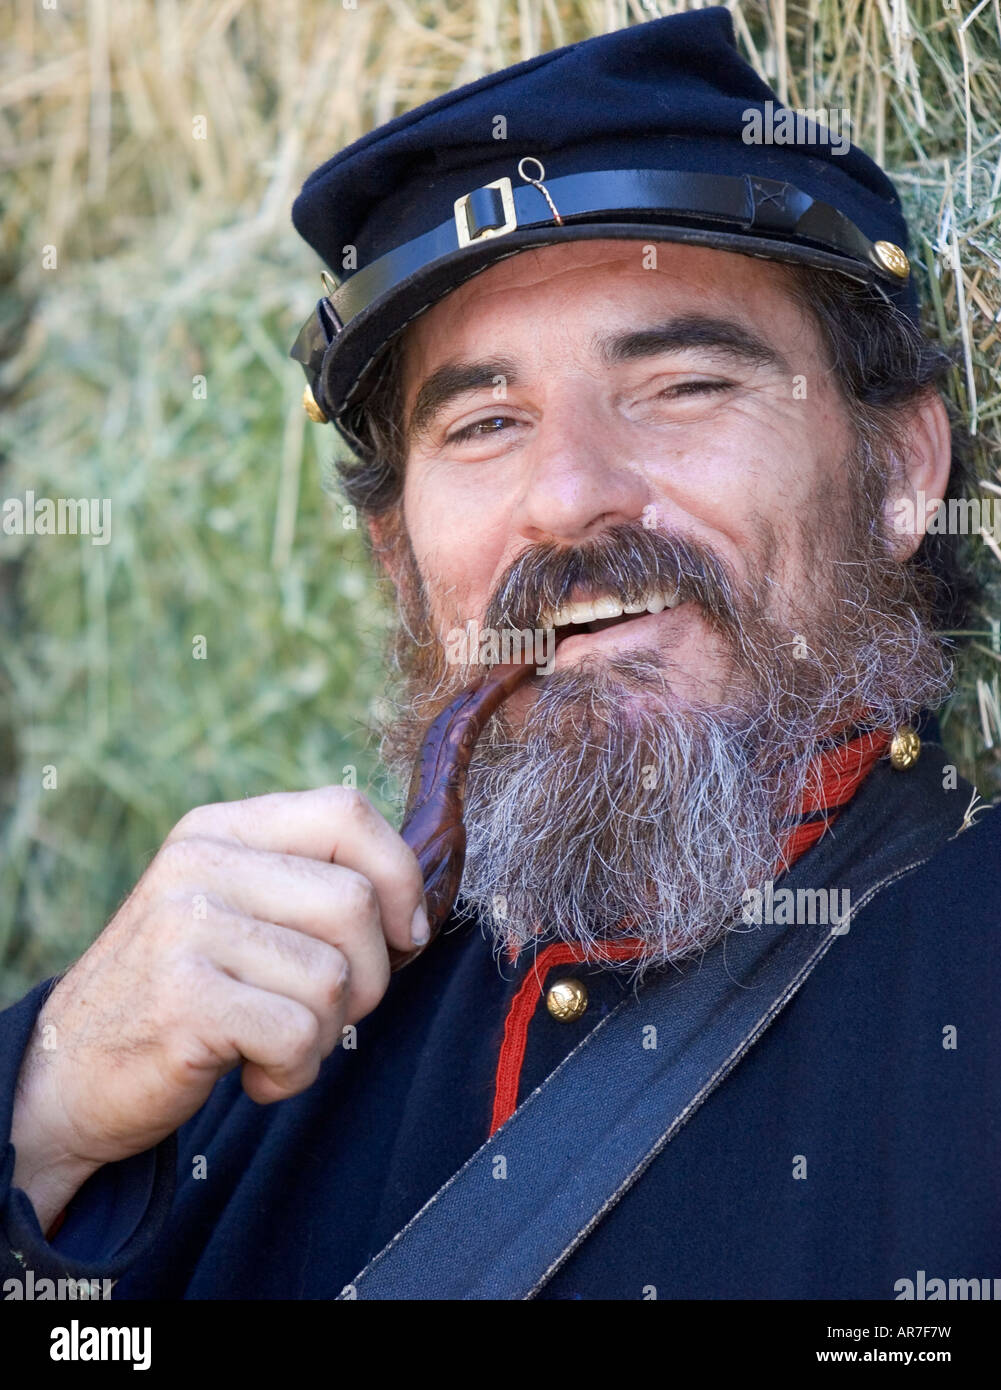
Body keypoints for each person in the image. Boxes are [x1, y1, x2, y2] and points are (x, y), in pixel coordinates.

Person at [2, 8, 997, 1301]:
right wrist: (48, 1099)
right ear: (396, 558)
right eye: (483, 421)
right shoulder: (243, 1062)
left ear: (899, 474)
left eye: (682, 383)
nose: (568, 495)